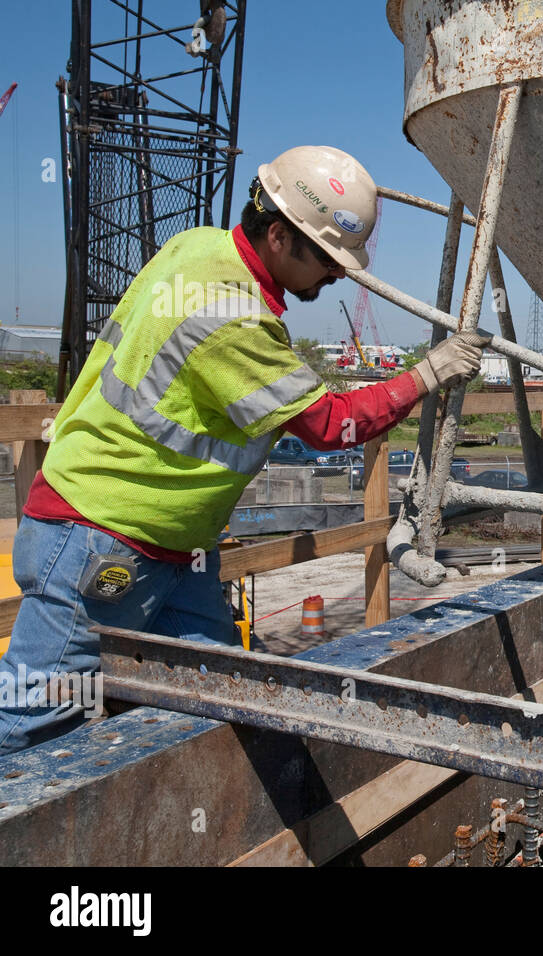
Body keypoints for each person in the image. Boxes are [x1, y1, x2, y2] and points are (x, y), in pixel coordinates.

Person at [0, 145, 489, 754]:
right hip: (99, 540)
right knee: (29, 732)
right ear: (280, 236)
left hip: (169, 552)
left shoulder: (197, 247)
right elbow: (332, 426)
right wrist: (428, 372)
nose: (338, 274)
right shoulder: (234, 320)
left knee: (224, 698)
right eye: (329, 258)